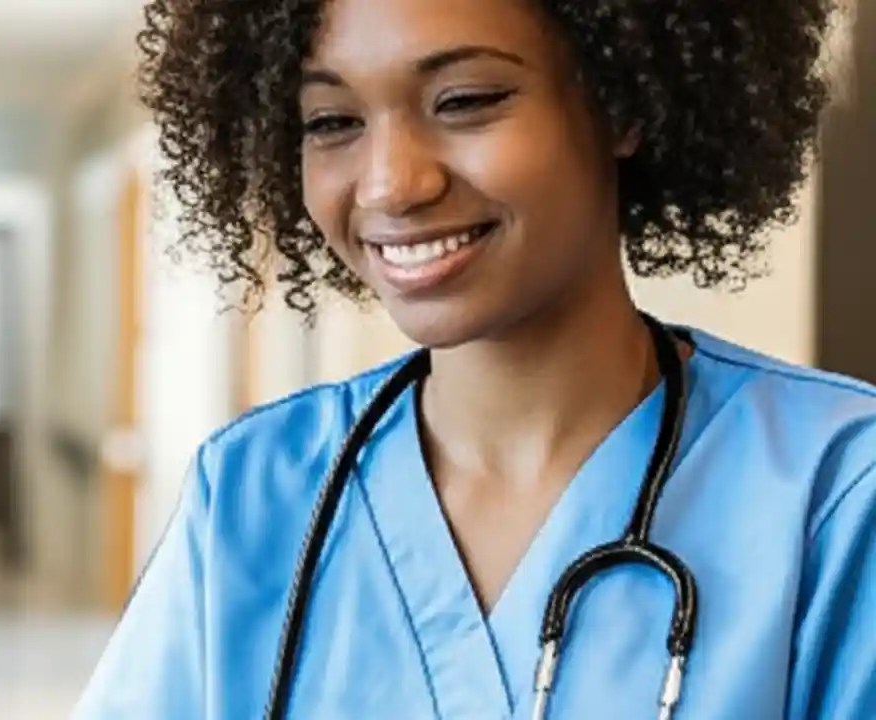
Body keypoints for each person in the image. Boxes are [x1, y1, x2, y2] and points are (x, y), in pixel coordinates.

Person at [77, 0, 875, 717]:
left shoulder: (835, 488)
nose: (392, 185)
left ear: (622, 103)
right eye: (331, 122)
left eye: (464, 101)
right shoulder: (255, 491)